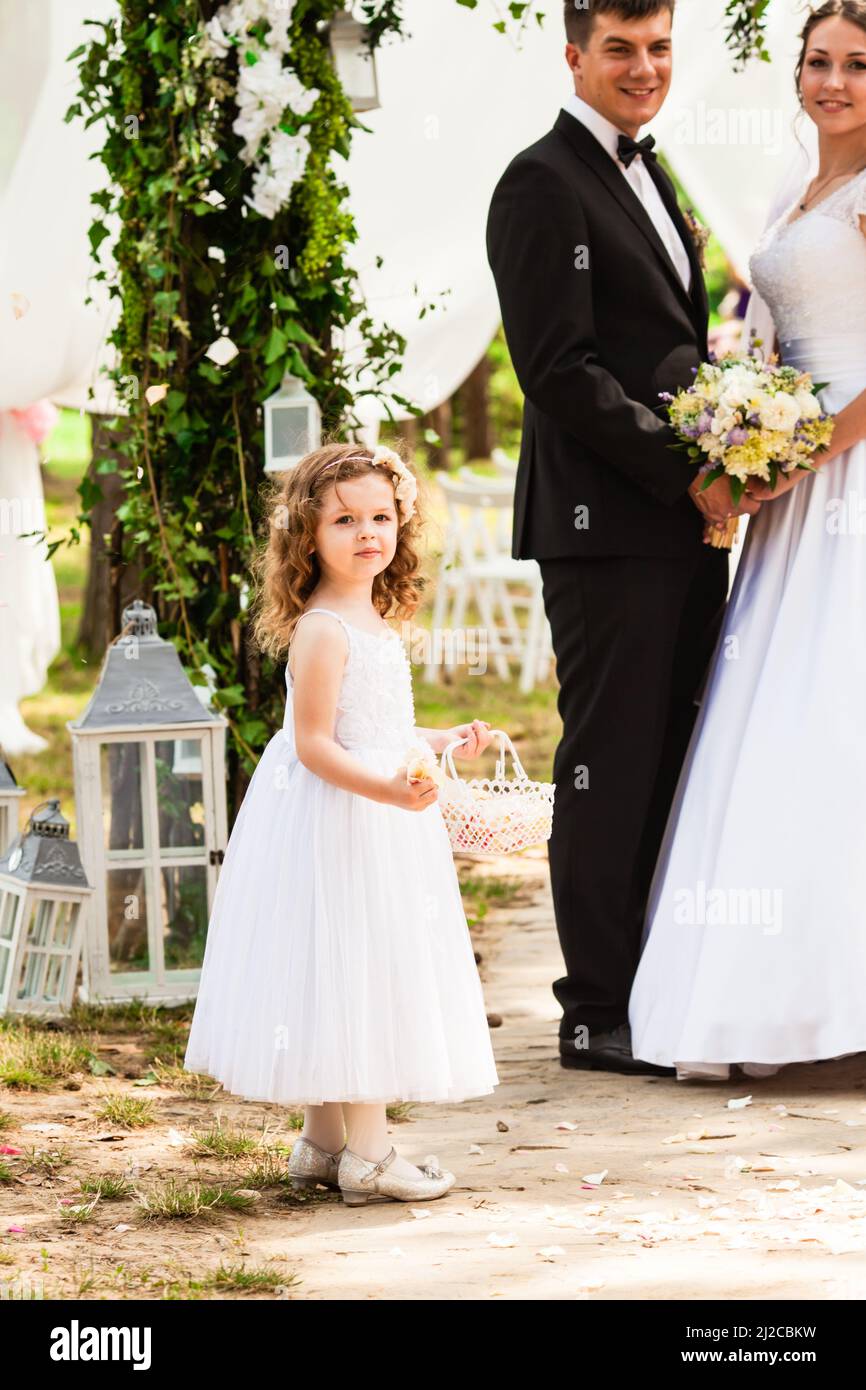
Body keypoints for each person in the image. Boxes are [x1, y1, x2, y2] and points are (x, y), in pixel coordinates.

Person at [485, 0, 760, 1076]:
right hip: (603, 530)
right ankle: (593, 1011)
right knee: (607, 764)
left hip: (680, 524)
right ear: (573, 56)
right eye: (618, 49)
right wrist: (686, 467)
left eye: (656, 48)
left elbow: (662, 347)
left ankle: (649, 987)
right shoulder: (539, 182)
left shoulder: (653, 173)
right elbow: (558, 371)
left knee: (665, 762)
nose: (641, 68)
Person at [629, 0, 866, 1080]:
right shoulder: (794, 186)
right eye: (817, 61)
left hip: (844, 465)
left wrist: (809, 451)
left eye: (856, 67)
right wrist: (747, 442)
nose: (831, 83)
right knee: (778, 699)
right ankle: (765, 997)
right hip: (789, 476)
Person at [184, 440, 499, 1205]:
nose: (368, 533)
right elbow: (315, 744)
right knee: (363, 964)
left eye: (382, 517)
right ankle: (372, 1153)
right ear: (307, 535)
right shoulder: (325, 628)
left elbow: (378, 727)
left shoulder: (374, 614)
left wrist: (436, 743)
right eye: (345, 520)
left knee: (349, 964)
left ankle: (324, 1143)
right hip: (345, 817)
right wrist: (389, 793)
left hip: (375, 807)